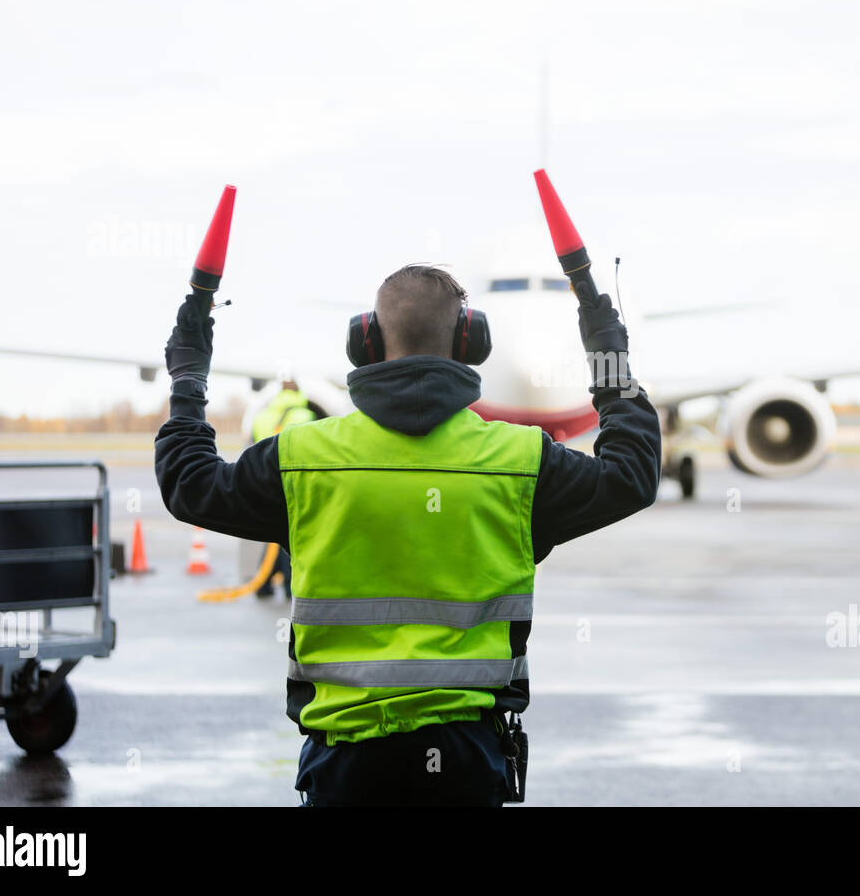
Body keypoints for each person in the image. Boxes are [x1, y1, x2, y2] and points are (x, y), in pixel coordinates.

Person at [155, 263, 660, 805]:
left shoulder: (302, 459)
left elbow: (188, 482)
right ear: (470, 340)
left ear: (365, 340)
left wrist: (189, 380)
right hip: (467, 759)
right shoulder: (521, 462)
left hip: (345, 763)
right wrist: (610, 356)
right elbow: (631, 473)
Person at [249, 380, 316, 599]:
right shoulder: (305, 417)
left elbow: (252, 448)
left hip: (267, 483)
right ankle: (289, 588)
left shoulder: (261, 417)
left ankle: (264, 584)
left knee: (274, 537)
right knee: (291, 539)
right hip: (294, 485)